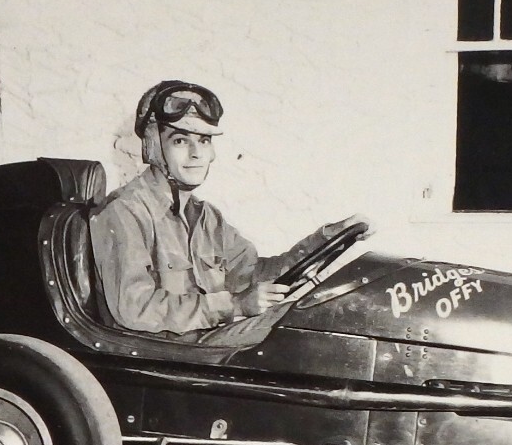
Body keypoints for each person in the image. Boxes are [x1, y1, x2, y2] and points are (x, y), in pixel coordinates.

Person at [88, 80, 368, 343]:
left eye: (204, 141)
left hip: (207, 346)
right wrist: (234, 305)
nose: (197, 153)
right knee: (308, 325)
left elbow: (254, 273)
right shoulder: (124, 212)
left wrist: (326, 239)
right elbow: (135, 308)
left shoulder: (206, 217)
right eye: (180, 141)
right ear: (153, 145)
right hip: (166, 353)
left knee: (326, 312)